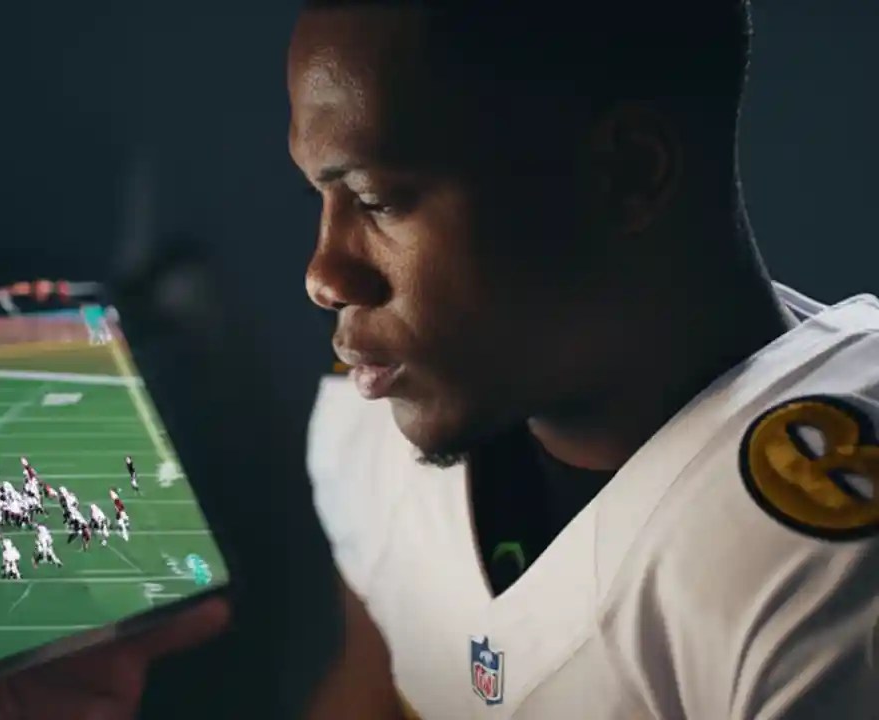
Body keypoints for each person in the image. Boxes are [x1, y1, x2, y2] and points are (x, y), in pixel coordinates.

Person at [292, 1, 878, 718]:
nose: (325, 275)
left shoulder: (819, 579)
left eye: (376, 199)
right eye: (322, 195)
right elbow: (378, 687)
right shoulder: (382, 420)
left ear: (627, 173)